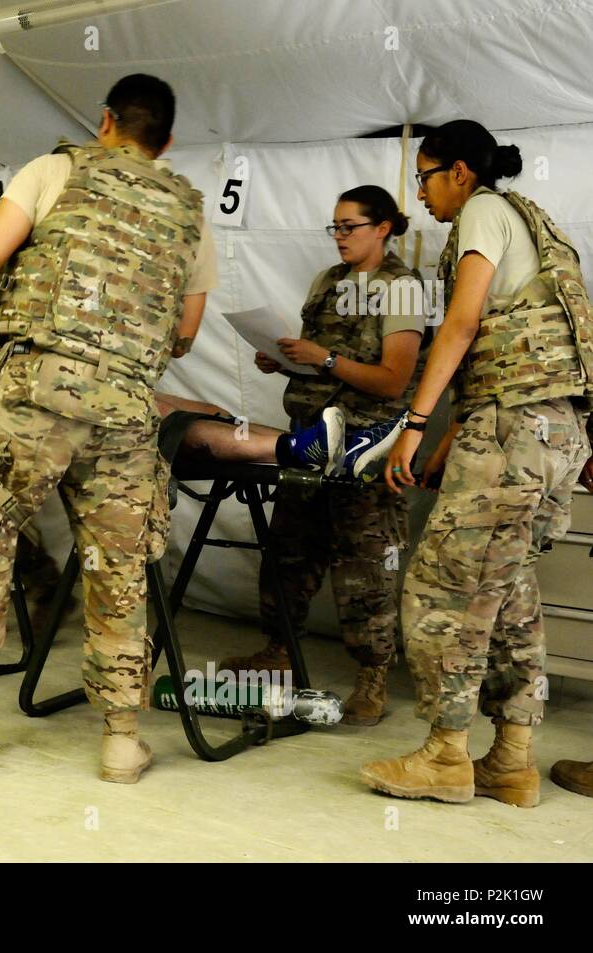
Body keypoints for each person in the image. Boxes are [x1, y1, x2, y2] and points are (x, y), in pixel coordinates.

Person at [0, 74, 224, 783]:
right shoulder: (190, 211)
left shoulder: (56, 169)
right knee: (120, 567)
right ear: (167, 141)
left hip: (32, 389)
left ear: (106, 120)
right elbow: (186, 332)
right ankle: (121, 738)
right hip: (128, 407)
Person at [362, 120, 593, 806]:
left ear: (460, 172)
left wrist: (414, 423)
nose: (421, 193)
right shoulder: (539, 226)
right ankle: (512, 760)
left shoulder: (483, 211)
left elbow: (462, 325)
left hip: (512, 432)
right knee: (510, 591)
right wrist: (447, 436)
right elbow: (504, 348)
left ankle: (446, 754)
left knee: (446, 586)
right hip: (551, 431)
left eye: (426, 176)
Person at [219, 186, 428, 727]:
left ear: (383, 228)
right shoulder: (328, 283)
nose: (339, 237)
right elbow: (324, 364)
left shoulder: (400, 289)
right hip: (311, 439)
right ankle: (278, 652)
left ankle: (373, 678)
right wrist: (289, 362)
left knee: (365, 568)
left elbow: (393, 379)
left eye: (349, 226)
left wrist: (325, 358)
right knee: (289, 553)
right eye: (333, 227)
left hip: (366, 447)